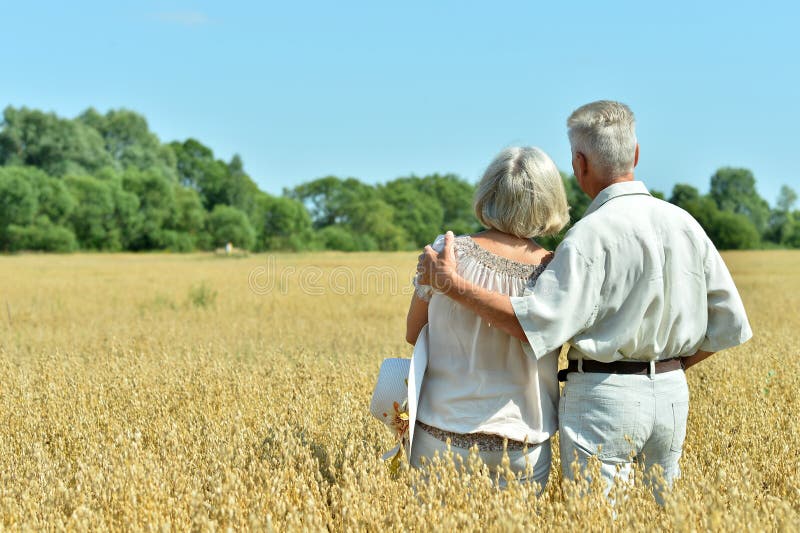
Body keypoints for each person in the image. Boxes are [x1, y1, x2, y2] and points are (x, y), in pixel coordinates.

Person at [417, 100, 752, 503]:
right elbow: (730, 323)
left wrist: (454, 286)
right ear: (637, 153)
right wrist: (668, 367)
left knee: (596, 517)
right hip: (671, 394)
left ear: (580, 163)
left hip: (604, 396)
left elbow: (534, 324)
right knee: (658, 514)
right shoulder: (686, 224)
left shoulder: (589, 235)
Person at [405, 146, 569, 490]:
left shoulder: (446, 251)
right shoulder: (555, 270)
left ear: (488, 193)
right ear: (550, 200)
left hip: (440, 435)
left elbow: (413, 332)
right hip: (522, 443)